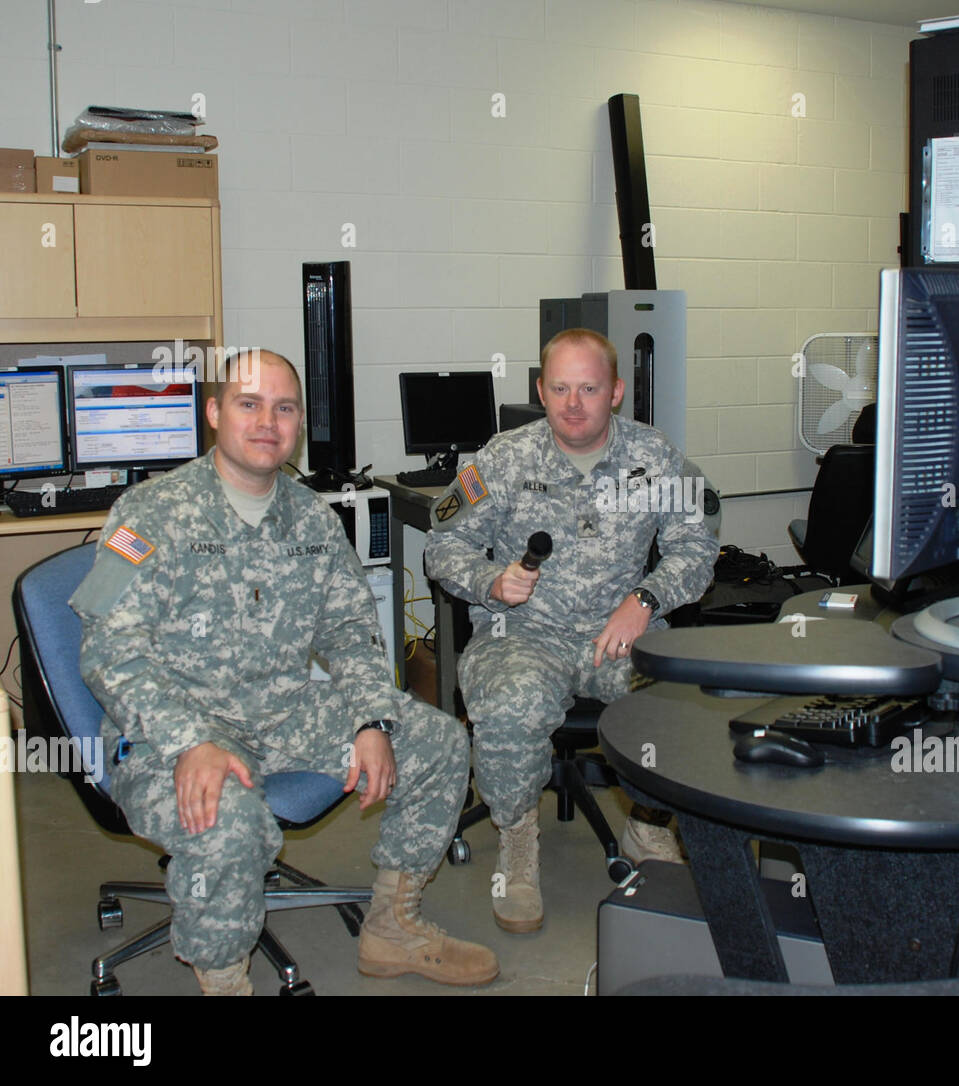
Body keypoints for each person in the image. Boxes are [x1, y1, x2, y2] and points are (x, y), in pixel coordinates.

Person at [71, 349, 499, 995]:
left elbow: (351, 630)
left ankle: (392, 925)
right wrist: (192, 743)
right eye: (249, 404)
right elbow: (109, 650)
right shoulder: (150, 512)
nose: (267, 421)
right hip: (173, 730)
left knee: (439, 740)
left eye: (284, 407)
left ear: (298, 423)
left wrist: (369, 718)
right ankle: (224, 981)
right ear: (215, 413)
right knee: (230, 823)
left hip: (284, 709)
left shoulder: (310, 517)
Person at [425, 328, 716, 933]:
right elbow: (444, 544)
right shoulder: (504, 458)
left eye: (589, 387)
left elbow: (697, 545)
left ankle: (649, 824)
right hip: (524, 633)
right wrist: (490, 583)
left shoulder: (655, 456)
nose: (574, 403)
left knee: (677, 704)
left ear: (616, 391)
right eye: (560, 387)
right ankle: (518, 838)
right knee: (509, 702)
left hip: (621, 633)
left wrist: (646, 598)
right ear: (540, 389)